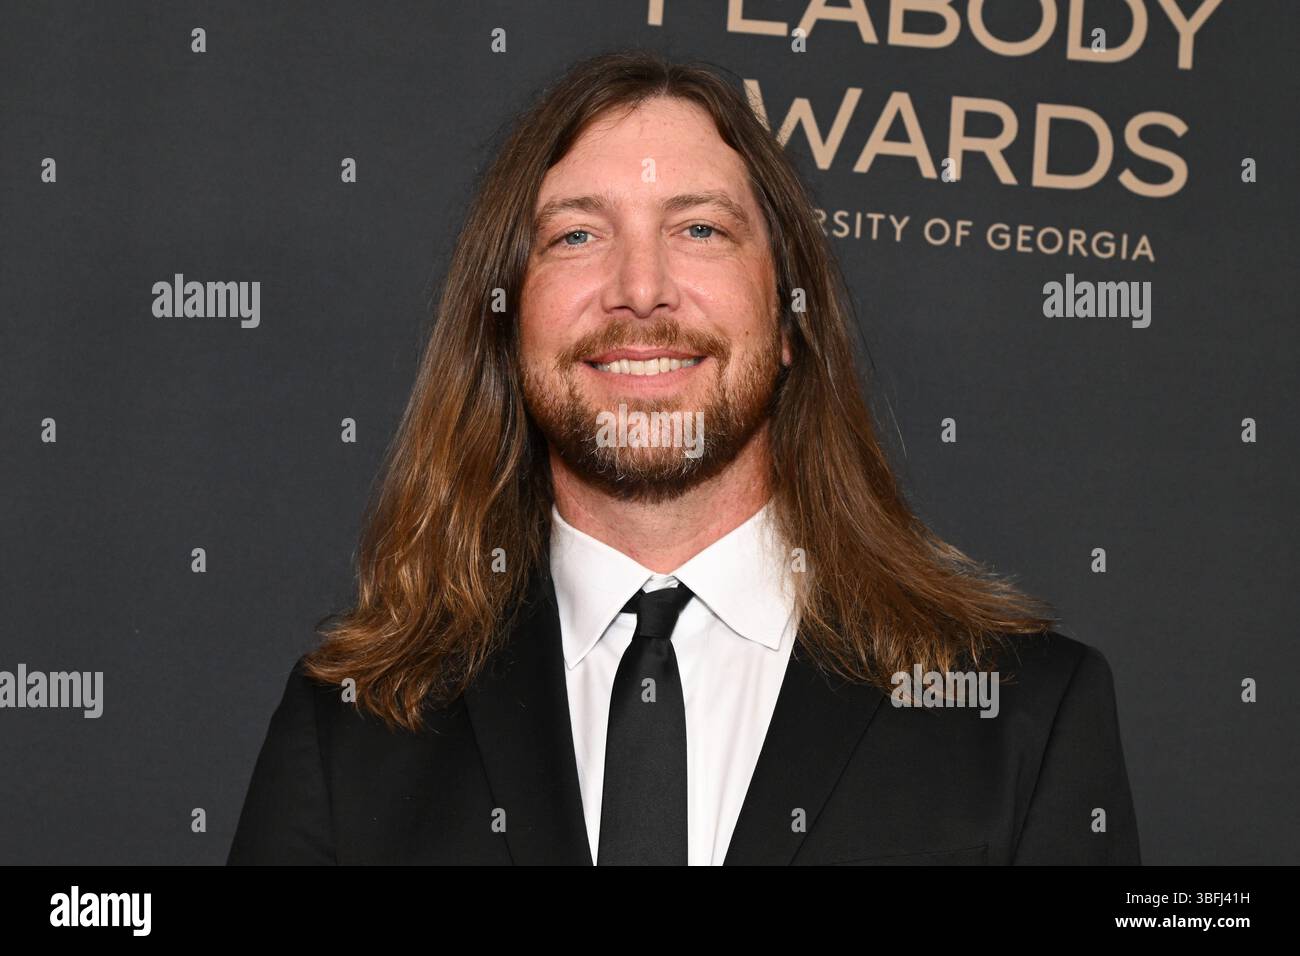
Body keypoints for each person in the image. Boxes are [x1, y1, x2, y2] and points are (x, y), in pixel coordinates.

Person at [227, 49, 1140, 865]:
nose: (640, 291)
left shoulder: (1019, 713)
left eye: (698, 228)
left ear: (788, 317)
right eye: (577, 236)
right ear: (505, 320)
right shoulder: (353, 727)